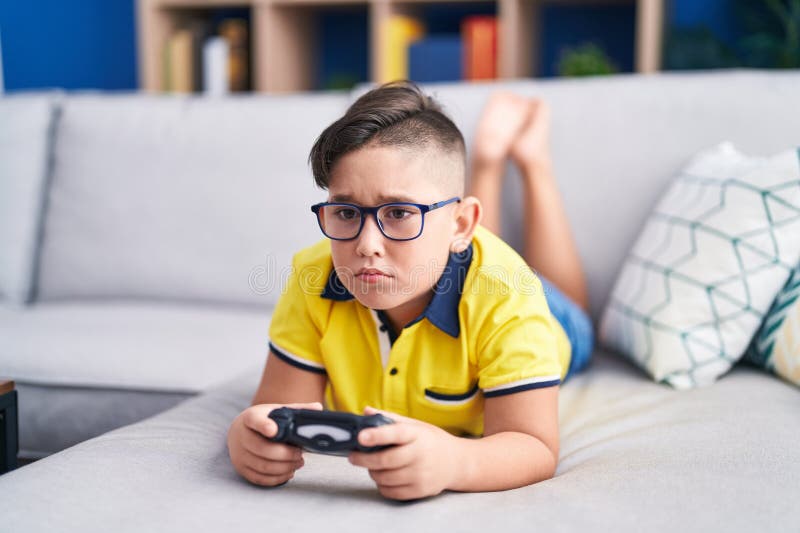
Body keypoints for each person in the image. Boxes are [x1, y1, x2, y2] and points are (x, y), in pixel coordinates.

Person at [227, 81, 594, 501]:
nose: (366, 245)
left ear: (461, 225)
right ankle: (487, 164)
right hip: (463, 261)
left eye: (399, 213)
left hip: (546, 312)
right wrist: (249, 437)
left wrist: (455, 460)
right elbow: (276, 414)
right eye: (346, 212)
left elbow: (534, 446)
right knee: (464, 258)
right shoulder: (314, 275)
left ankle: (527, 161)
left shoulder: (512, 297)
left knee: (566, 300)